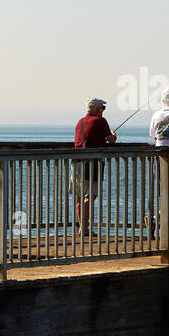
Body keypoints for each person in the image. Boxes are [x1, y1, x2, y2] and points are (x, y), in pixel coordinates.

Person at [72, 98, 115, 236]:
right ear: (97, 109)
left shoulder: (80, 121)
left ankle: (82, 228)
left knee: (79, 197)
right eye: (103, 108)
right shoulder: (100, 121)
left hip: (77, 161)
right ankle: (84, 228)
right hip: (93, 162)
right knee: (91, 195)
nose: (103, 110)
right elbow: (111, 139)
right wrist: (113, 135)